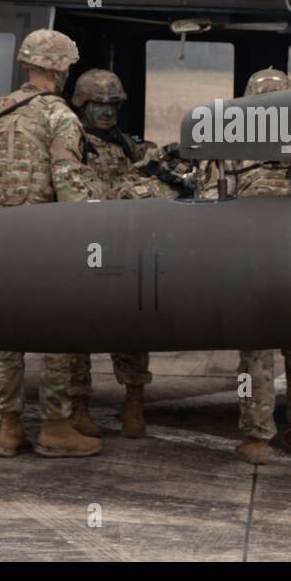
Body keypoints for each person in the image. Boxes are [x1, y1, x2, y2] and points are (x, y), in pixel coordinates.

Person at [0, 28, 101, 459]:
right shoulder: (60, 116)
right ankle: (55, 426)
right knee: (56, 330)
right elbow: (70, 186)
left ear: (28, 64)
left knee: (5, 333)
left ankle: (9, 428)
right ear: (64, 68)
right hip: (38, 238)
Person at [67, 68, 177, 440]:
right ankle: (79, 406)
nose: (107, 113)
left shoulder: (128, 145)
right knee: (76, 335)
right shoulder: (72, 145)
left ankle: (134, 403)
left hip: (123, 250)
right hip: (84, 252)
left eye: (114, 105)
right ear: (83, 104)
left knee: (131, 330)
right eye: (100, 104)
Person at [228, 68, 291, 465]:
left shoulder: (233, 151)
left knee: (256, 358)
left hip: (256, 272)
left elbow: (209, 206)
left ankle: (256, 439)